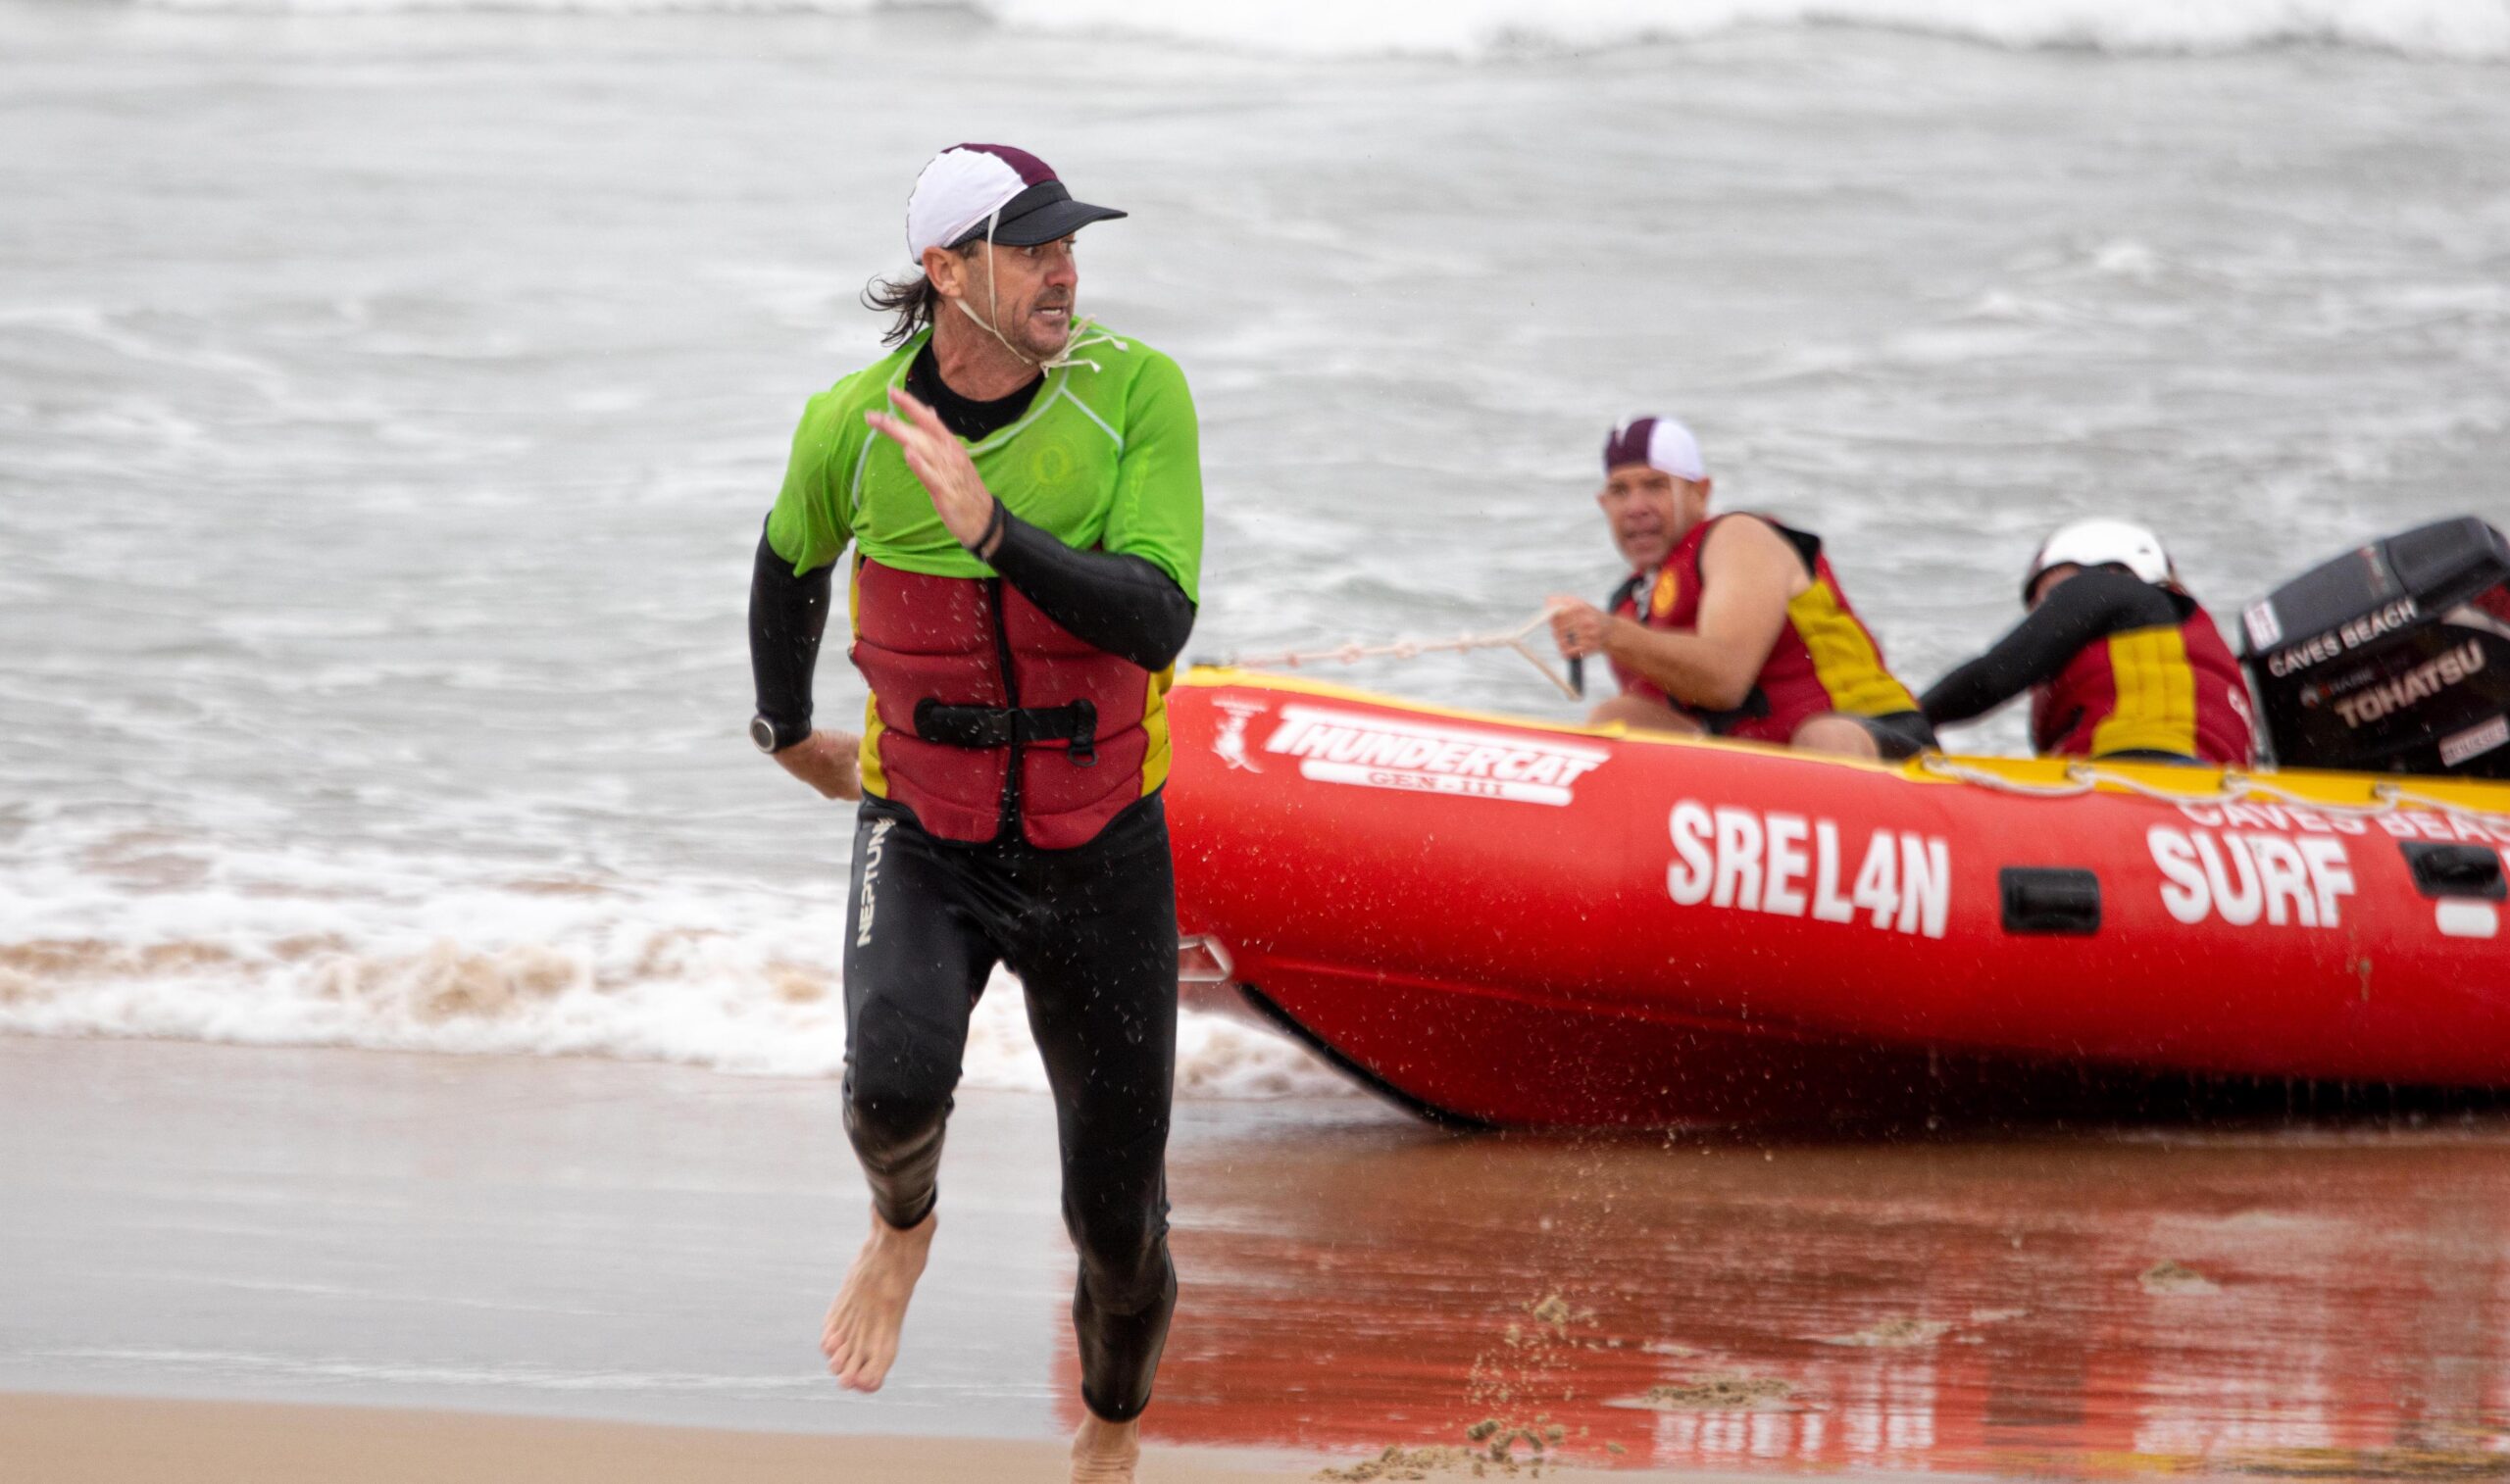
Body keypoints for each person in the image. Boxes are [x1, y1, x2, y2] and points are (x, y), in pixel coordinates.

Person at [745, 142, 1201, 1484]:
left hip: (1103, 839)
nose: (1068, 268)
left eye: (1072, 243)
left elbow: (1161, 613)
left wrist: (995, 526)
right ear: (947, 271)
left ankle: (1110, 1438)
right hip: (927, 829)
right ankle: (904, 1219)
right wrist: (788, 733)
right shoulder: (856, 419)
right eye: (1033, 246)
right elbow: (785, 567)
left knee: (1116, 1225)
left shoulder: (1137, 396)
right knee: (889, 1088)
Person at [1547, 416, 1935, 760]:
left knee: (1823, 737)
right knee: (1619, 718)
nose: (1636, 506)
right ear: (1603, 504)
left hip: (1874, 739)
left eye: (1655, 485)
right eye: (1620, 491)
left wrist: (1612, 634)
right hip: (1764, 775)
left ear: (1700, 493)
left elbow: (1725, 680)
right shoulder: (1629, 605)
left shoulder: (1739, 537)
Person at [1920, 519, 2255, 767]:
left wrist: (1903, 719)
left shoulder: (2110, 589)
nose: (2046, 614)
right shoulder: (2200, 646)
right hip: (2215, 801)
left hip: (2142, 771)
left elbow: (1993, 677)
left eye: (2051, 596)